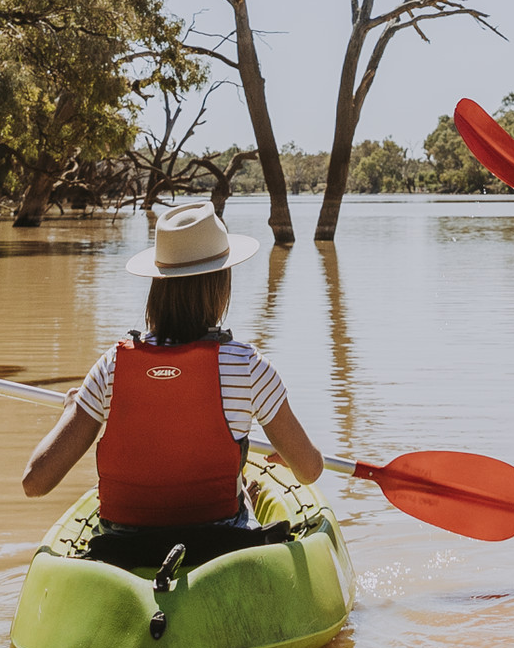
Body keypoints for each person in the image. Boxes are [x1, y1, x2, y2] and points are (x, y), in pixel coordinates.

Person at [21, 197, 323, 537]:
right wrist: (288, 450)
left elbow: (35, 481)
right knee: (248, 501)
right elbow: (309, 469)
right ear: (221, 285)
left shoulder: (111, 367)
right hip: (219, 537)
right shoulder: (248, 365)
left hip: (123, 541)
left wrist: (74, 409)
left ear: (158, 285)